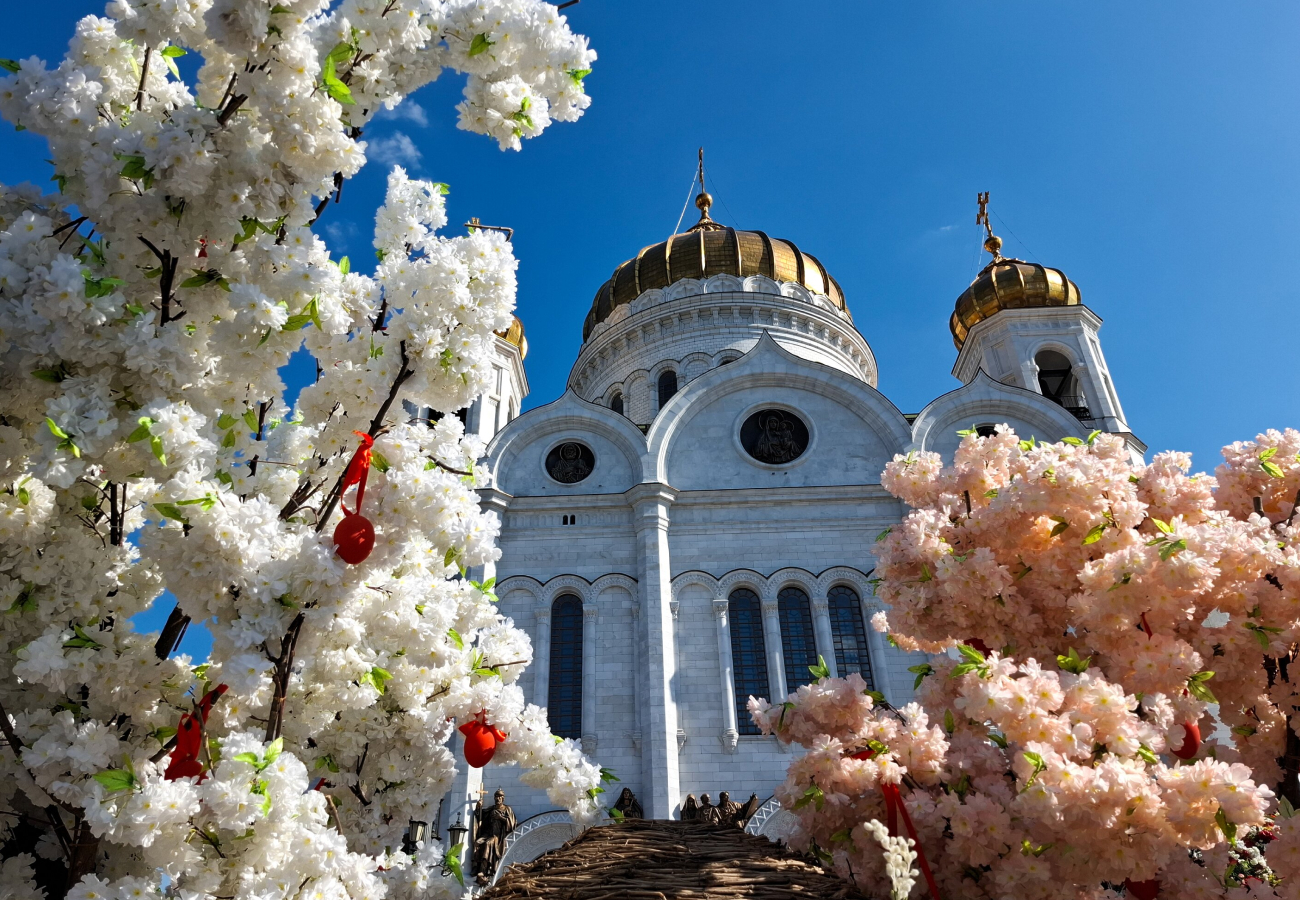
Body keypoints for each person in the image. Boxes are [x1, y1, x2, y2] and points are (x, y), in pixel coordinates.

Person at [471, 789, 516, 885]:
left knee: (488, 843)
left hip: (498, 835)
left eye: (500, 797)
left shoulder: (507, 809)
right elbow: (480, 816)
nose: (498, 798)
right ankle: (475, 867)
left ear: (503, 798)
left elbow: (512, 824)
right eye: (496, 796)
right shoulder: (491, 809)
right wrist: (479, 807)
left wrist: (500, 818)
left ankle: (483, 871)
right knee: (477, 843)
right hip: (488, 833)